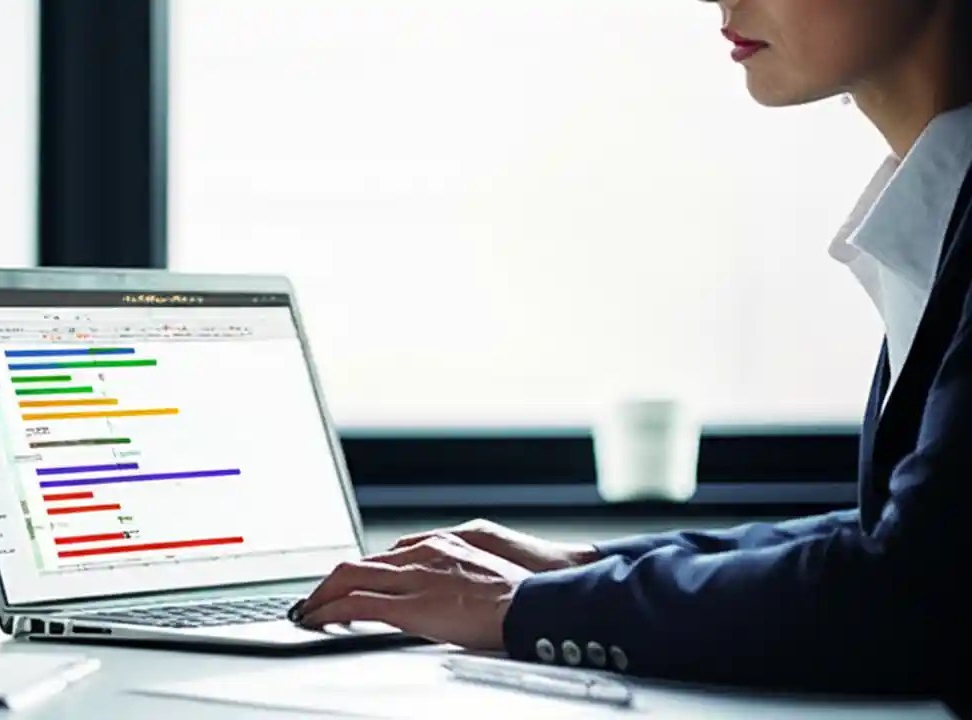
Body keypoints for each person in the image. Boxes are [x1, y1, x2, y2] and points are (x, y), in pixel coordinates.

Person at [290, 0, 971, 709]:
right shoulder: (940, 204)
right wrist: (581, 566)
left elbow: (911, 591)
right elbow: (908, 534)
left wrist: (527, 607)